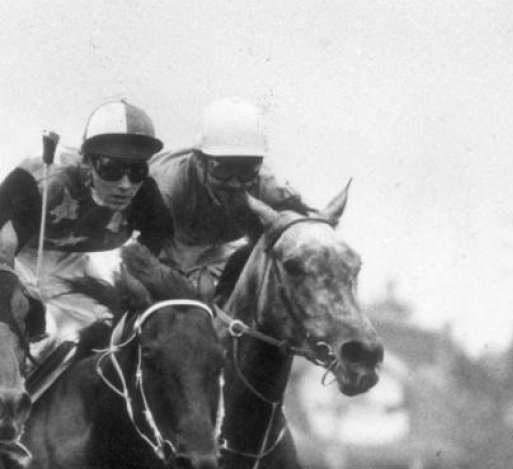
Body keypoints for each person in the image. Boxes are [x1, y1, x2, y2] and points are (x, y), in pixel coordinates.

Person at [0, 99, 173, 351]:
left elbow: (157, 242)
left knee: (111, 322)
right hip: (20, 256)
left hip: (73, 260)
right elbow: (4, 247)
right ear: (86, 162)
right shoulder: (41, 180)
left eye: (137, 170)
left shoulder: (147, 195)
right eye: (111, 169)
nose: (125, 184)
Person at [150, 97, 315, 300]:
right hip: (166, 244)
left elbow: (305, 233)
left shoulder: (267, 185)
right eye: (224, 170)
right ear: (200, 161)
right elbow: (140, 252)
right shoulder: (167, 186)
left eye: (247, 170)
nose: (235, 183)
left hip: (220, 249)